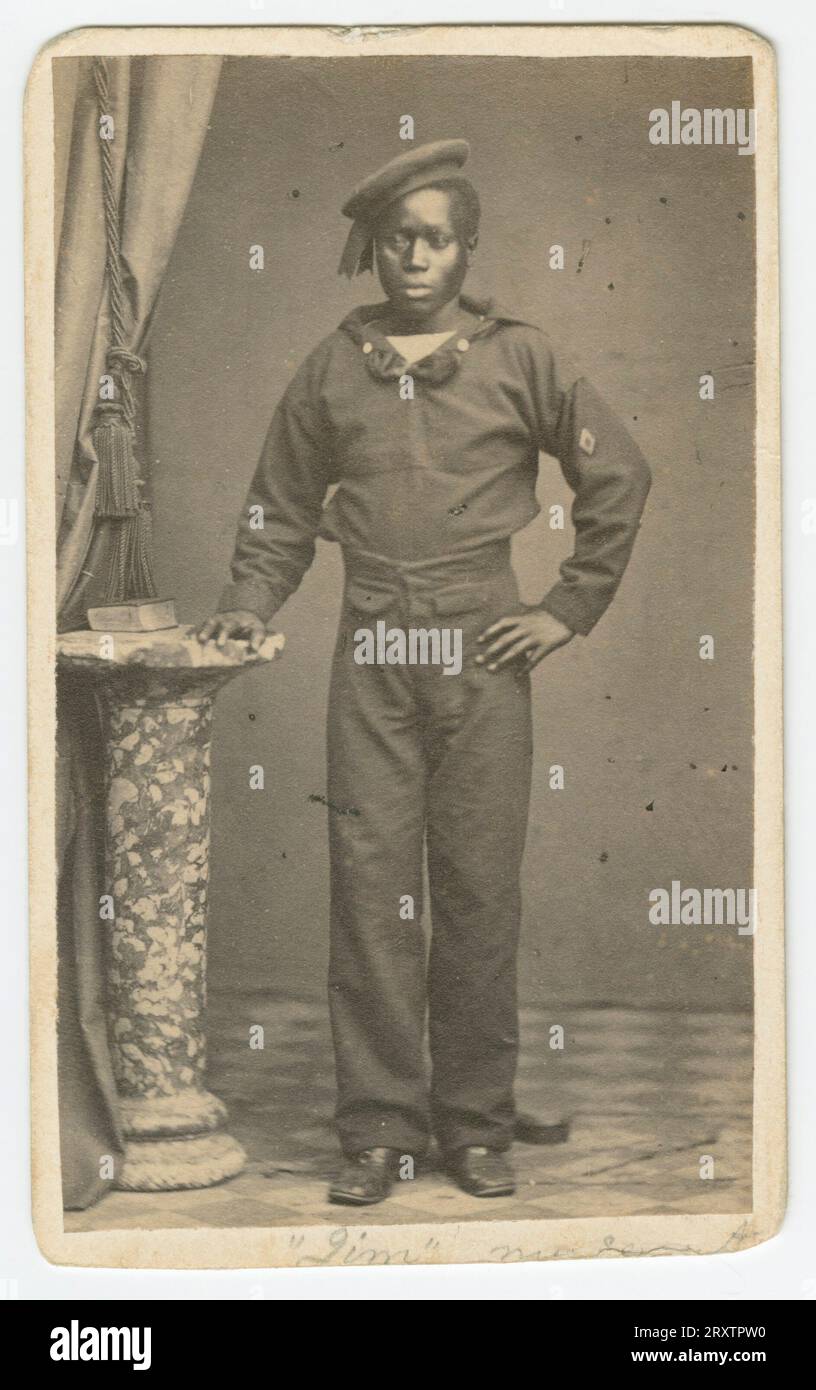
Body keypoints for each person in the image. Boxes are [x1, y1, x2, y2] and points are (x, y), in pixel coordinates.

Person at [198, 140, 651, 1205]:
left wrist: (564, 607)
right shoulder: (329, 367)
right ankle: (378, 1132)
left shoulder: (522, 357)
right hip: (373, 653)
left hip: (482, 649)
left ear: (467, 248)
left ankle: (476, 1124)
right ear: (373, 247)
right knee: (370, 896)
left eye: (438, 238)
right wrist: (246, 607)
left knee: (480, 892)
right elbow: (278, 509)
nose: (416, 256)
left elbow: (619, 471)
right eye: (399, 238)